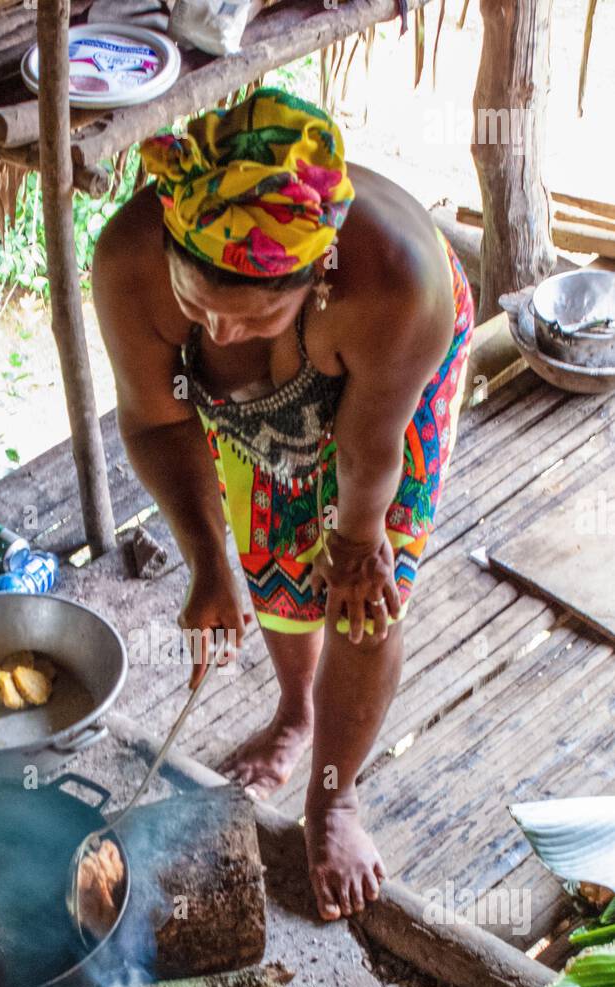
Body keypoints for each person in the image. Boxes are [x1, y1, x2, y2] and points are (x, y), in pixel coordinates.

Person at [93, 87, 474, 921]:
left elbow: (367, 450)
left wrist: (357, 541)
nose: (221, 336)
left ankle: (332, 800)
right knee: (268, 562)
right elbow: (158, 419)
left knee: (366, 603)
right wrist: (205, 565)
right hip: (254, 403)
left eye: (256, 315)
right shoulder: (128, 266)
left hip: (383, 394)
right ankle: (296, 712)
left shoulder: (395, 287)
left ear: (318, 276)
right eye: (199, 309)